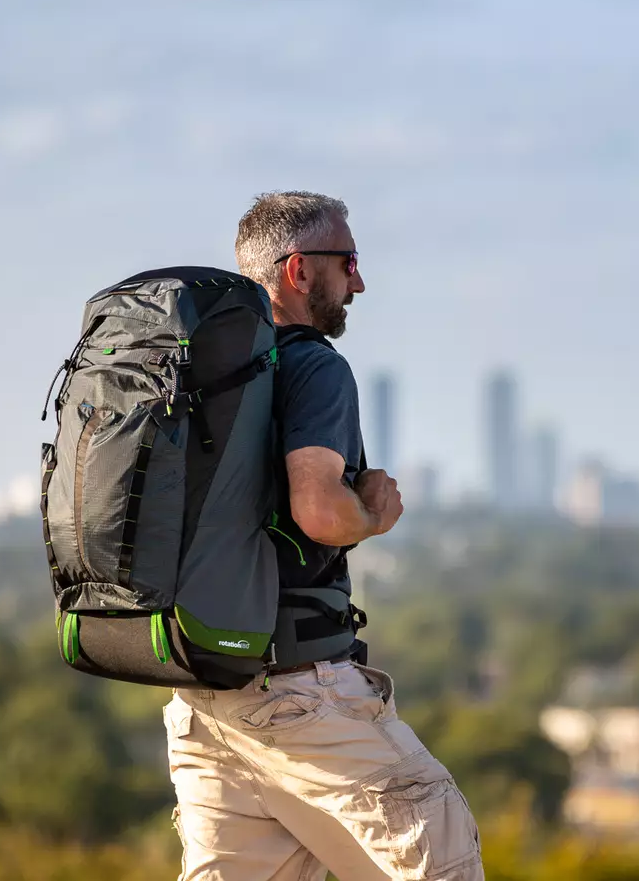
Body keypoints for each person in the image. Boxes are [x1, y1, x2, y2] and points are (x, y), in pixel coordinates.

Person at [162, 191, 484, 881]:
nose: (360, 282)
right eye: (350, 262)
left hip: (204, 699)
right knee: (441, 848)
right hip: (300, 693)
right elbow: (316, 509)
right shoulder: (311, 366)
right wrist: (373, 514)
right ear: (299, 272)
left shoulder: (198, 374)